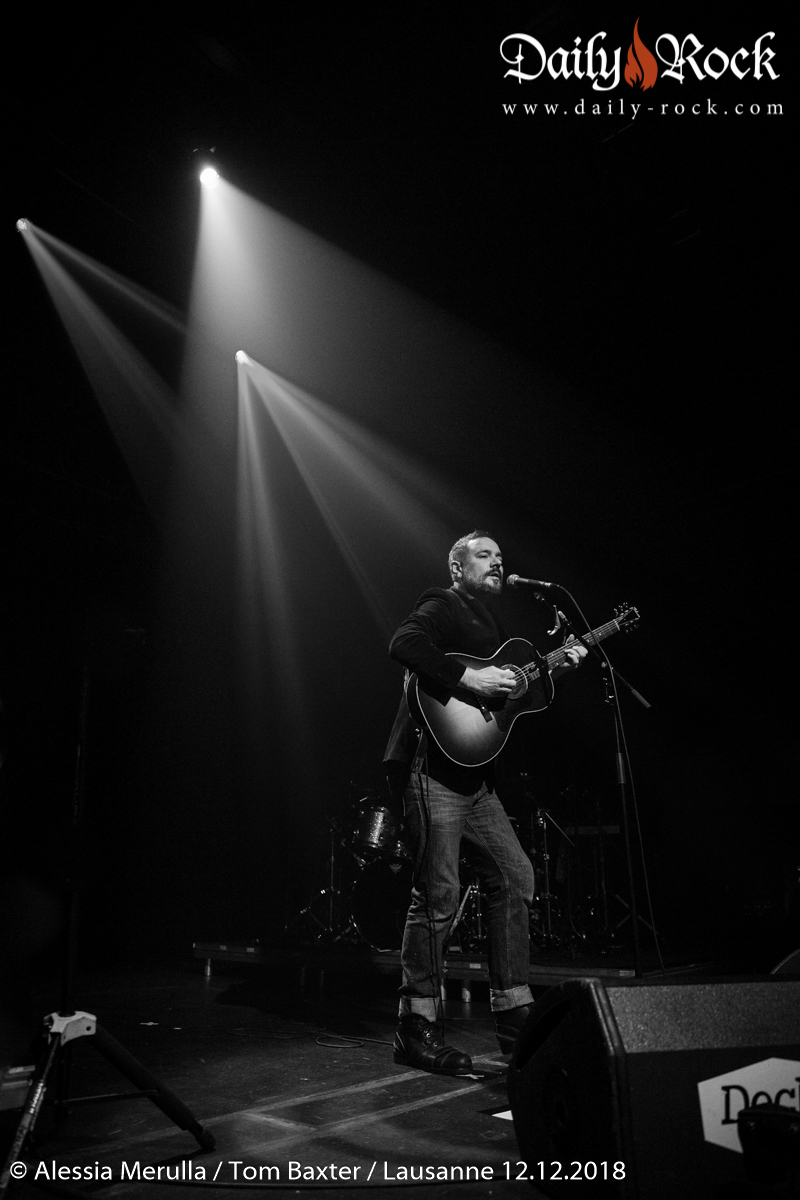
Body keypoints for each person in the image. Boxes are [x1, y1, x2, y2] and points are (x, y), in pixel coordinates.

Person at [384, 530, 586, 1075]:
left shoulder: (495, 628)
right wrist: (468, 674)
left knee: (516, 877)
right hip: (432, 771)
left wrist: (555, 668)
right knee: (439, 894)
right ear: (456, 566)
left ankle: (513, 1016)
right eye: (484, 555)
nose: (498, 562)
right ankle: (415, 1024)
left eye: (502, 555)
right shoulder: (443, 602)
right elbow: (404, 644)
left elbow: (516, 698)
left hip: (475, 781)